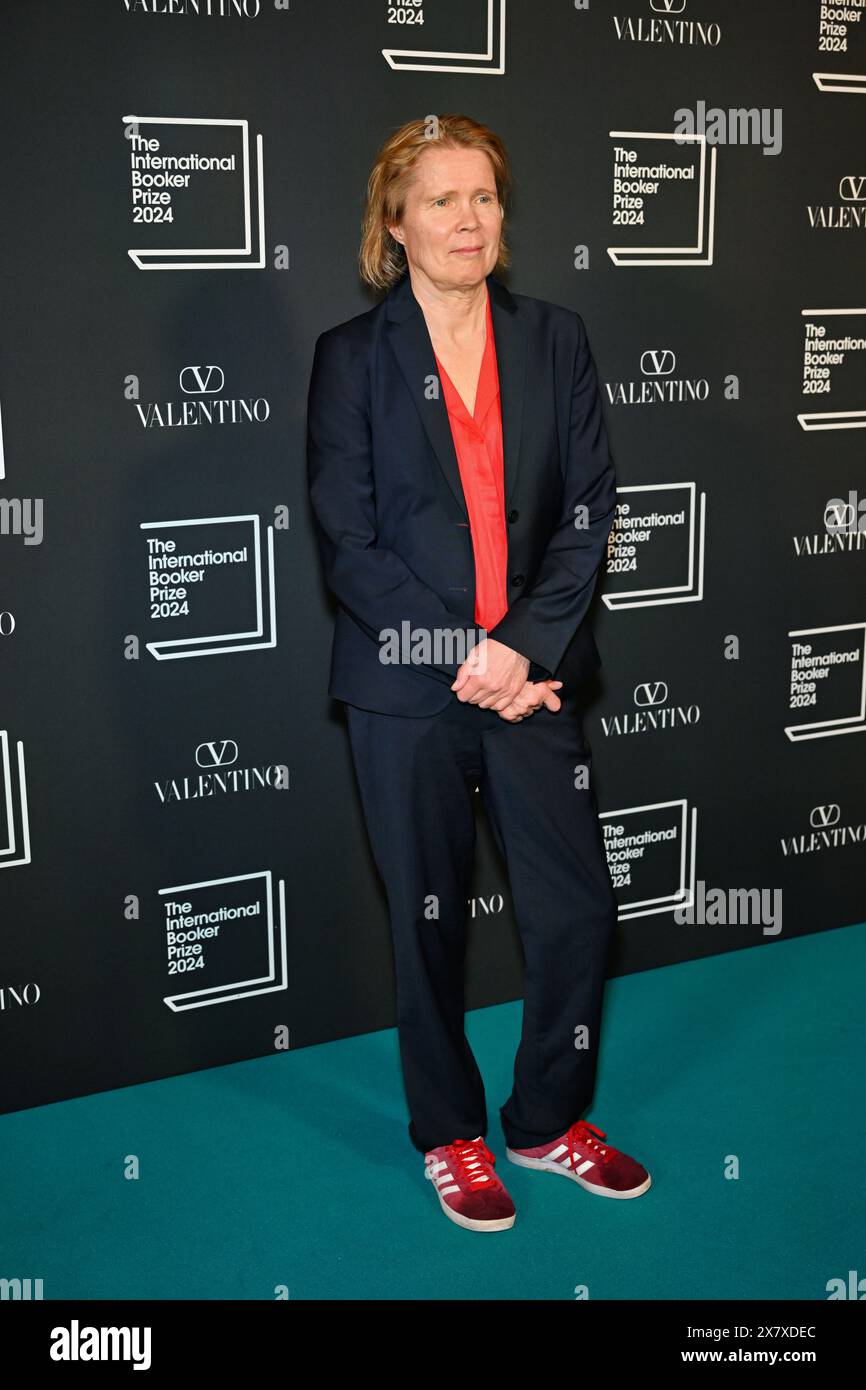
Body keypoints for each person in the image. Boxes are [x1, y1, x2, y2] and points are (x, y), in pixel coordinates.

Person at [306, 114, 651, 1232]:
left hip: (533, 679)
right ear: (394, 225)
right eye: (442, 201)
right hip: (407, 690)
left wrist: (522, 649)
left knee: (575, 911)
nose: (468, 219)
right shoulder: (351, 360)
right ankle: (448, 1135)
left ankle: (546, 1118)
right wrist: (465, 654)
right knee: (427, 921)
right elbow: (347, 541)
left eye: (485, 197)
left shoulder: (554, 337)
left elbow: (589, 509)